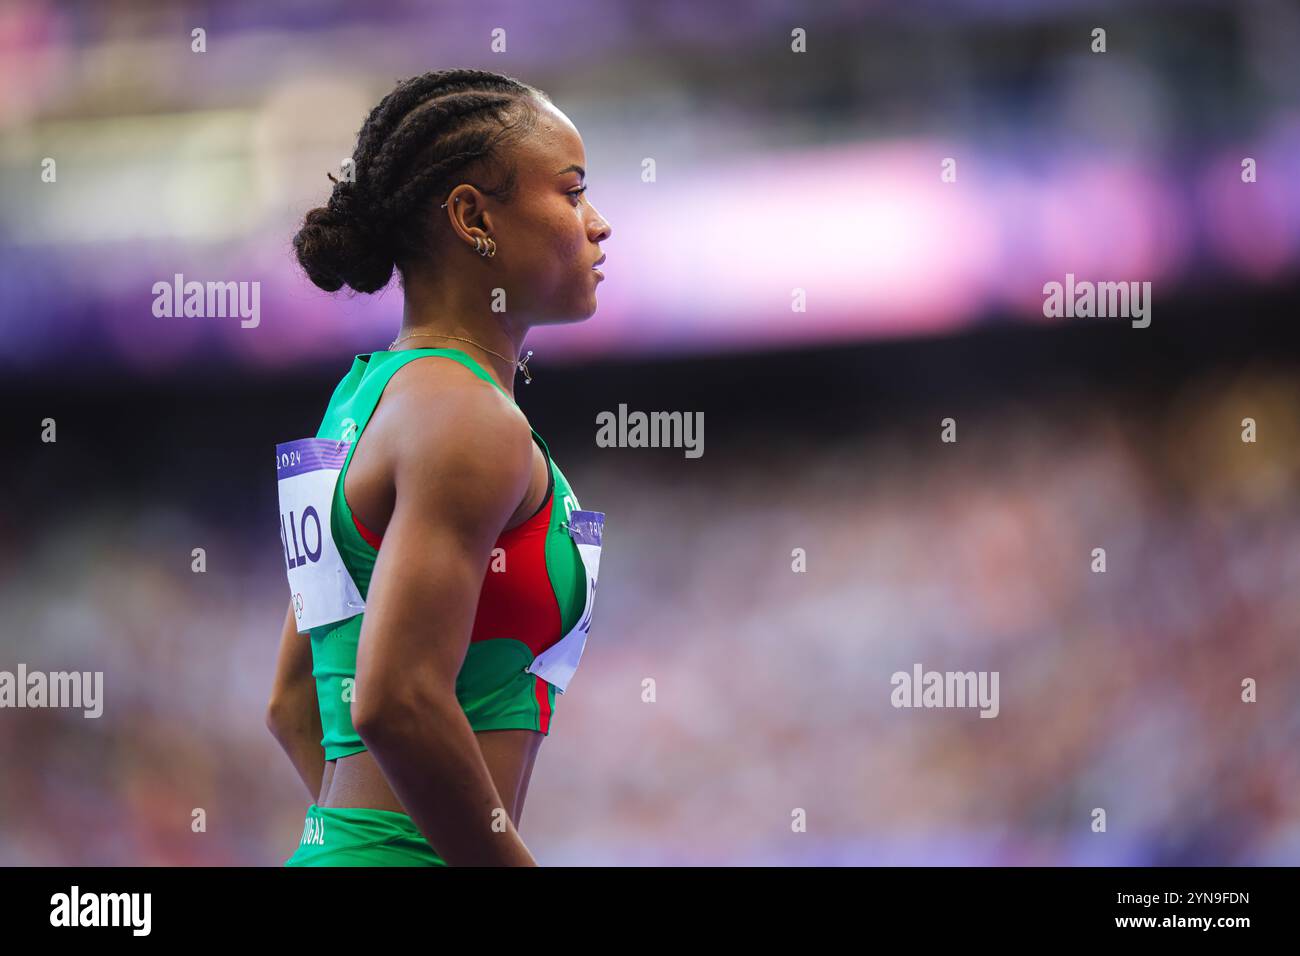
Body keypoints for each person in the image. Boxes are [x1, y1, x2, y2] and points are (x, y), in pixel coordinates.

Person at [265, 68, 611, 866]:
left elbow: (292, 705)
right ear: (471, 216)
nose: (598, 225)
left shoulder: (364, 401)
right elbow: (395, 699)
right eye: (572, 192)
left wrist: (374, 843)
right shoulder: (467, 419)